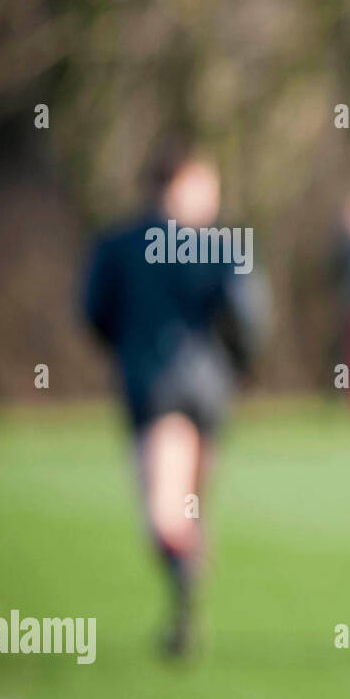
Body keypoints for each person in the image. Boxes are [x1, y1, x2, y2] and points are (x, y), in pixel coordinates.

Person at [82, 143, 265, 658]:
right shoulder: (219, 245)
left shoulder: (118, 243)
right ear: (179, 183)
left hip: (156, 391)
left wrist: (130, 351)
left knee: (167, 514)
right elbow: (249, 316)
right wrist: (240, 362)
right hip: (206, 390)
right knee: (188, 507)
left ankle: (183, 601)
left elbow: (94, 312)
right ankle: (185, 605)